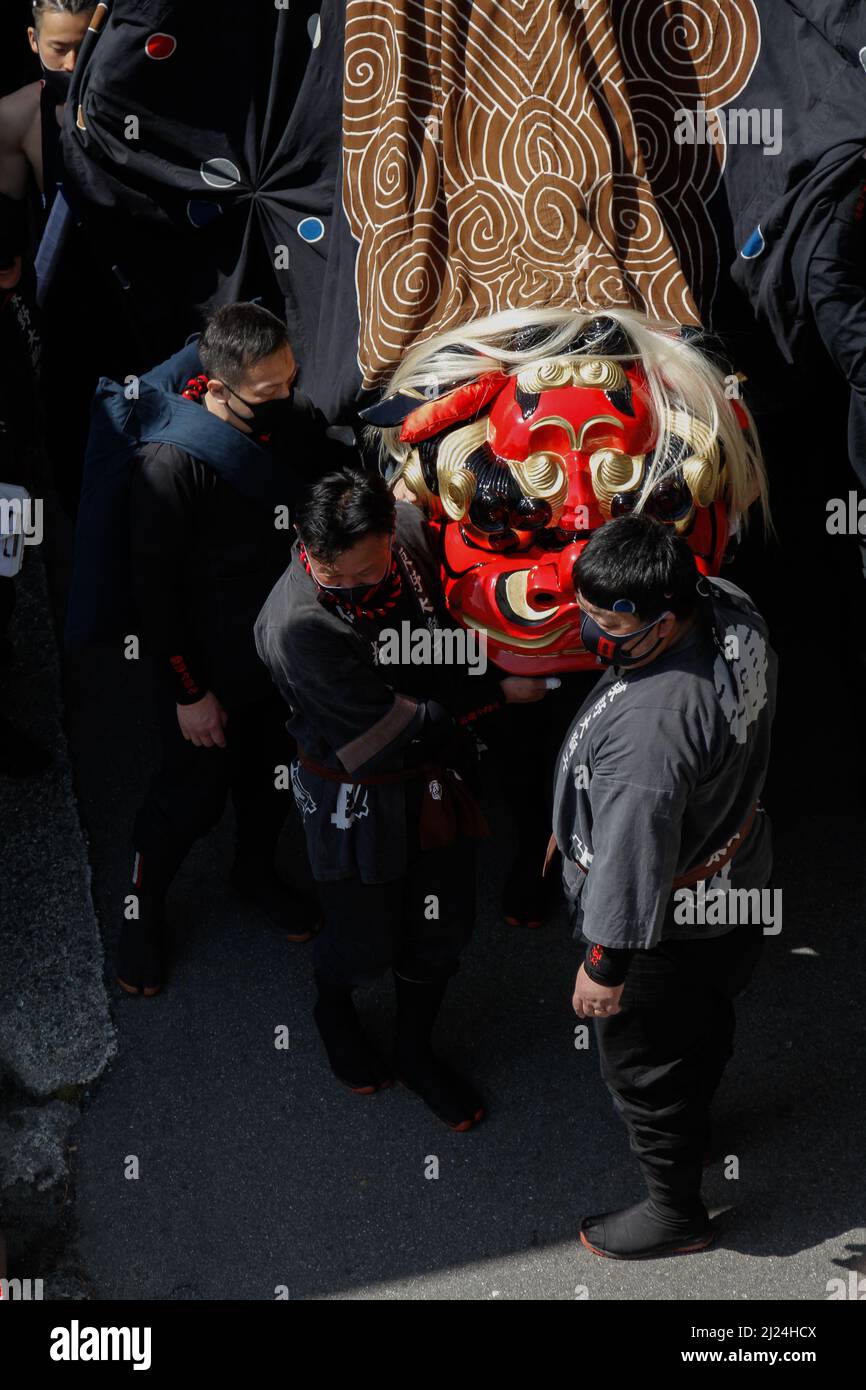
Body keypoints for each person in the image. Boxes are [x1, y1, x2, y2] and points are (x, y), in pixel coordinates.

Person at [255, 468, 552, 1130]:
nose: (354, 587)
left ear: (392, 531)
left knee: (441, 930)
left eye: (369, 571)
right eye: (335, 576)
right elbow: (387, 736)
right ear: (305, 543)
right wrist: (494, 694)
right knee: (364, 939)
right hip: (358, 795)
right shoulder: (295, 626)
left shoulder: (411, 530)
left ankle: (415, 1051)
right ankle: (332, 1006)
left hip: (438, 777)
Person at [552, 513, 777, 1258]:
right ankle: (697, 1123)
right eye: (586, 609)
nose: (593, 632)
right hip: (737, 875)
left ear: (667, 617)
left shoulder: (654, 732)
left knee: (644, 1070)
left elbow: (632, 857)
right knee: (706, 1020)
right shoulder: (730, 603)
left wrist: (604, 964)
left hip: (668, 920)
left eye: (612, 624)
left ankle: (676, 1214)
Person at [118, 301, 343, 996]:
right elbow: (153, 600)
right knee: (190, 799)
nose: (287, 398)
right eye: (269, 390)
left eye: (290, 380)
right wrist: (190, 694)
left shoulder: (290, 417)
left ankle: (254, 872)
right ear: (218, 387)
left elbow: (329, 476)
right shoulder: (169, 467)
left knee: (271, 777)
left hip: (279, 658)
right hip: (208, 667)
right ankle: (141, 908)